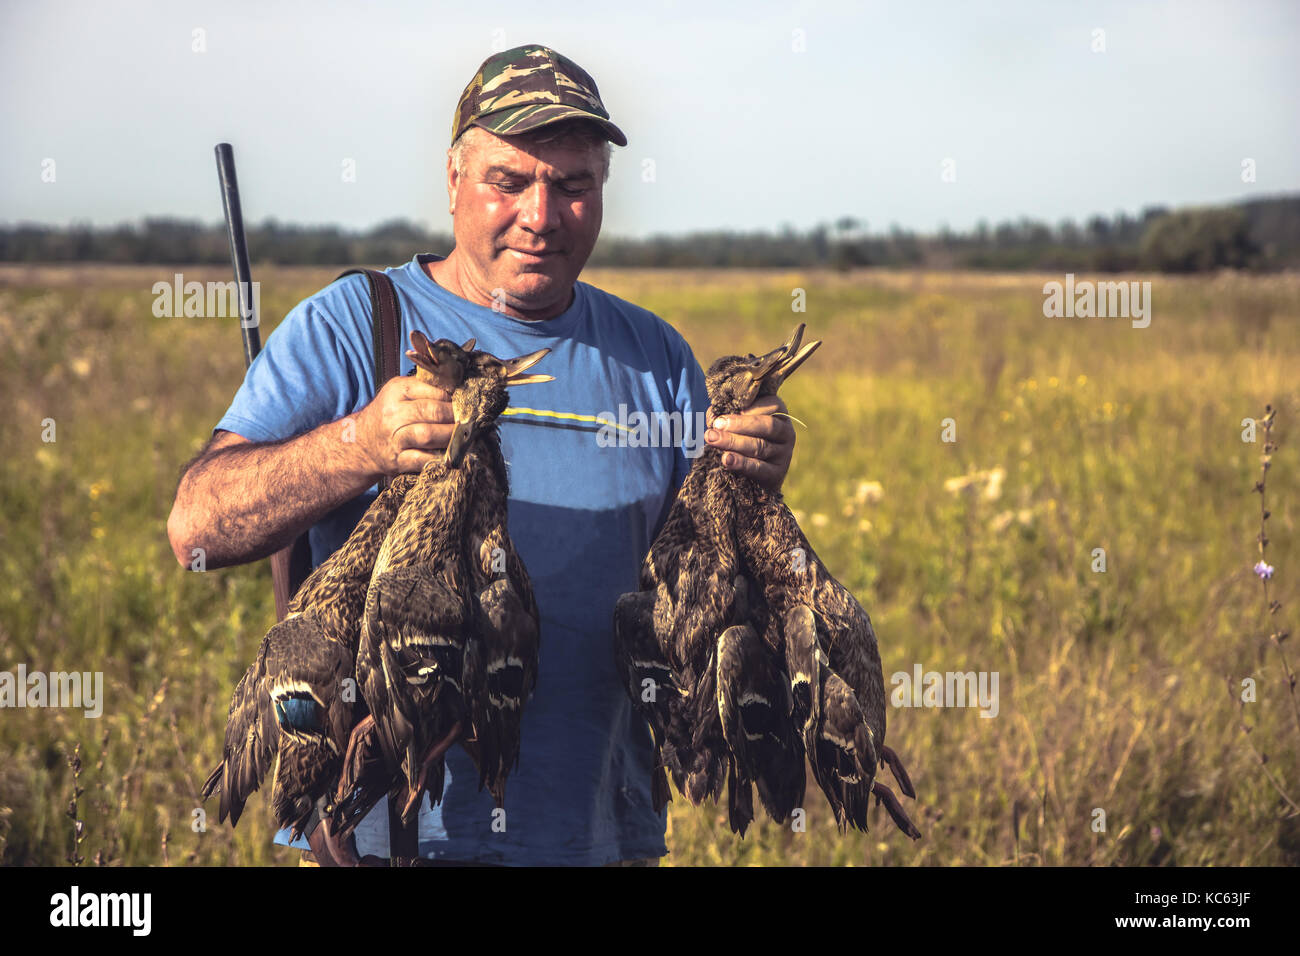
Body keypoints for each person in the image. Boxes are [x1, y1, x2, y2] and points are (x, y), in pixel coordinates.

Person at [167, 44, 797, 866]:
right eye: (510, 180)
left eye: (573, 186)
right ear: (455, 179)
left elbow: (707, 596)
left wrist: (750, 489)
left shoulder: (655, 357)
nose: (541, 214)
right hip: (396, 843)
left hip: (605, 839)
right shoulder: (357, 326)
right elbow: (198, 529)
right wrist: (357, 444)